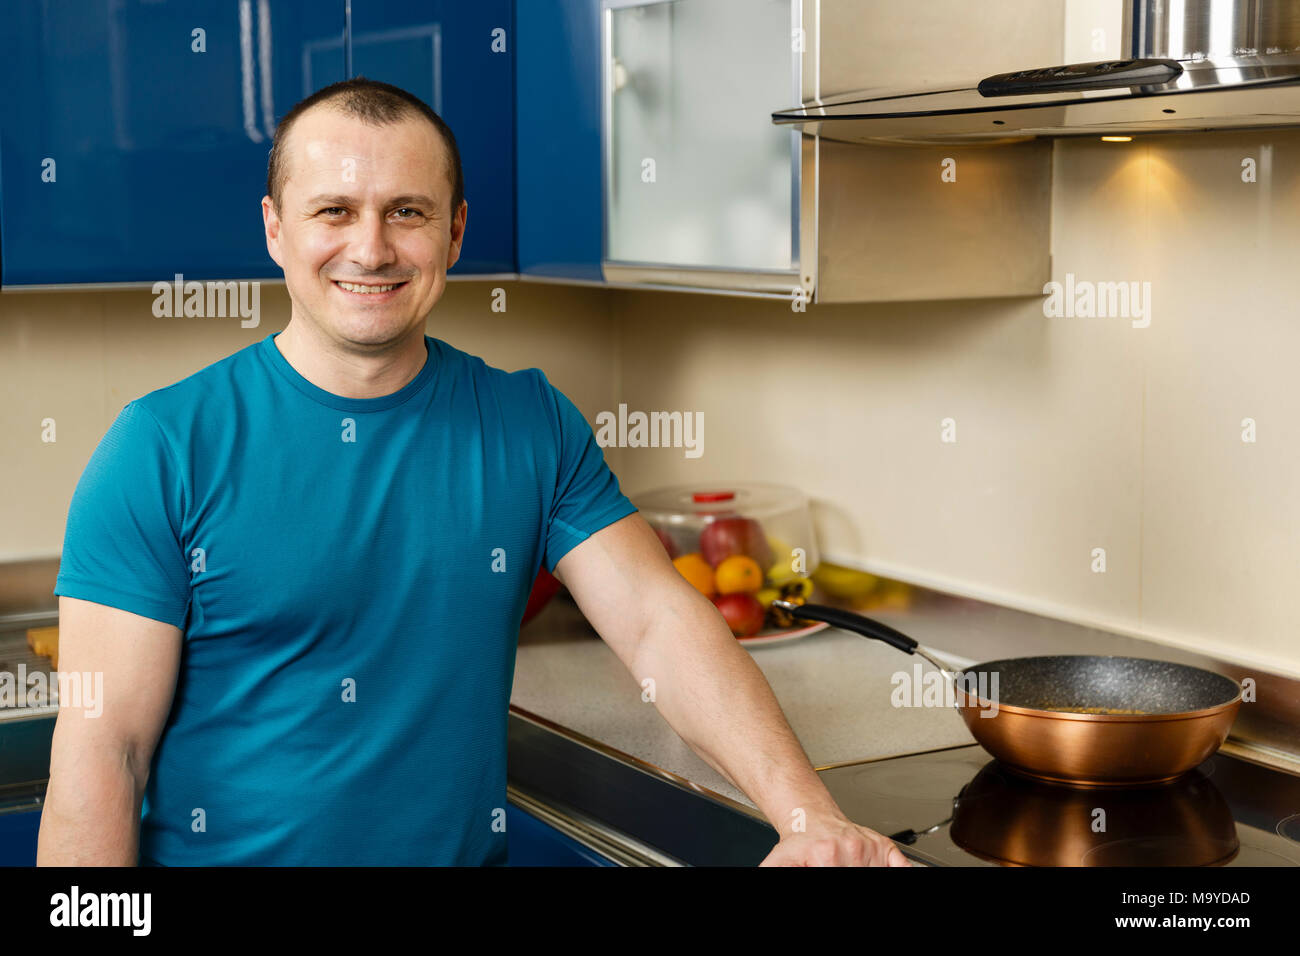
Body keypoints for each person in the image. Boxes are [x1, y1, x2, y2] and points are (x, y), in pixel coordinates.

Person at [37, 77, 908, 867]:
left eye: (406, 212)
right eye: (333, 210)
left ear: (455, 230)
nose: (370, 249)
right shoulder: (162, 447)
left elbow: (657, 625)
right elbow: (104, 747)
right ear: (275, 228)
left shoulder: (530, 423)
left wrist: (807, 818)